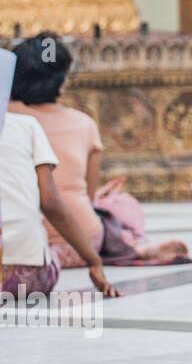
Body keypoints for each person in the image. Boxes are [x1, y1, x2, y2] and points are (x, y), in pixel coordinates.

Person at [8, 33, 190, 267]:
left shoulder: (8, 119)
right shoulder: (84, 124)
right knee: (116, 204)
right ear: (62, 81)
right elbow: (89, 197)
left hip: (23, 246)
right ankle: (135, 246)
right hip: (84, 244)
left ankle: (136, 247)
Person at [0, 110, 119, 298]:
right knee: (52, 250)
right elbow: (50, 203)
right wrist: (94, 262)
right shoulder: (26, 125)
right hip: (25, 275)